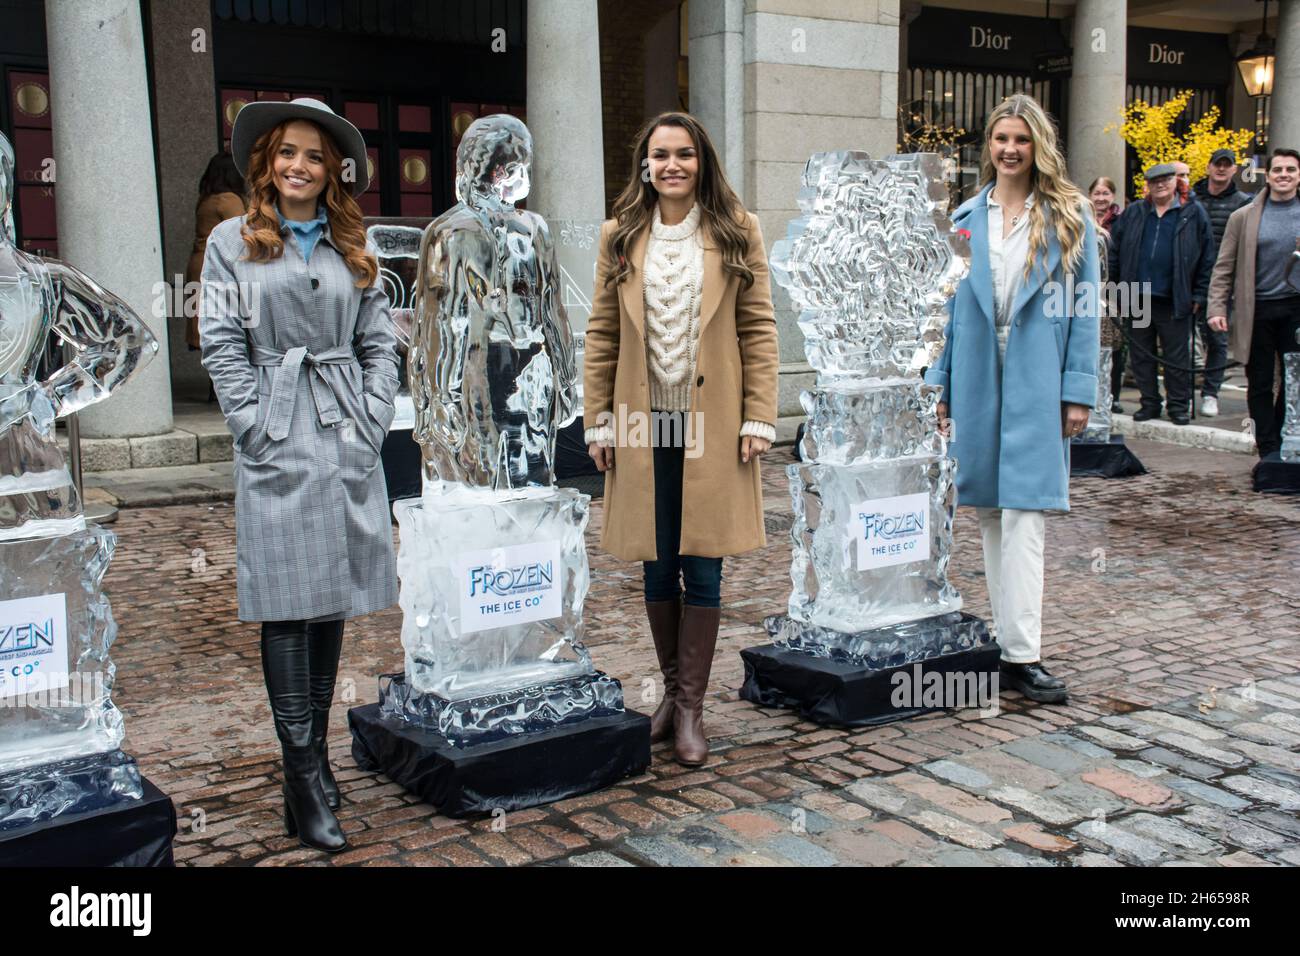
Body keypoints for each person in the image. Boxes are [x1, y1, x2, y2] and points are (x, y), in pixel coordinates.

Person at [200, 98, 400, 853]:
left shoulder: (355, 242)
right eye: (287, 152)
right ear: (266, 161)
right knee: (287, 601)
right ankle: (302, 774)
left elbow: (381, 341)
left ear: (333, 170)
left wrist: (375, 414)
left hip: (347, 428)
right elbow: (219, 341)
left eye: (314, 156)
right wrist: (252, 423)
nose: (298, 167)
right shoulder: (232, 242)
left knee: (332, 597)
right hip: (276, 428)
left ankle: (310, 768)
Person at [583, 111, 779, 765]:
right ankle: (669, 696)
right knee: (656, 558)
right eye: (660, 155)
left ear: (703, 162)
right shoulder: (621, 235)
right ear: (645, 163)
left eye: (685, 155)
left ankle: (691, 708)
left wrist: (759, 414)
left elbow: (759, 328)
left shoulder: (736, 229)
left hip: (712, 420)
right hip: (643, 422)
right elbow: (602, 333)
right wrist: (598, 419)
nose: (672, 165)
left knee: (704, 563)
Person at [924, 93, 1099, 705]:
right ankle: (1004, 646)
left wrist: (1077, 391)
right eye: (1001, 139)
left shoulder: (1068, 216)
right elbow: (947, 309)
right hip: (976, 371)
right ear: (988, 146)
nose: (1010, 149)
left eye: (1021, 140)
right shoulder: (966, 216)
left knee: (1026, 513)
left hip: (1037, 372)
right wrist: (938, 386)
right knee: (992, 512)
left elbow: (1085, 308)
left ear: (1038, 147)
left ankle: (1023, 653)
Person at [1208, 148, 1300, 459]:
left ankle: (1285, 434)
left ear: (1298, 176)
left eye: (1290, 170)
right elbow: (1224, 267)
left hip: (1296, 309)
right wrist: (1217, 308)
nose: (1284, 175)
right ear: (1268, 175)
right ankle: (1268, 447)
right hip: (1257, 309)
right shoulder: (1244, 216)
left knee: (1294, 379)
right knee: (1259, 380)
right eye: (1278, 170)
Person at [1107, 162, 1215, 424]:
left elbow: (1207, 257)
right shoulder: (1134, 213)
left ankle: (1178, 405)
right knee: (1142, 356)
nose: (1160, 185)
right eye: (1155, 181)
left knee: (1176, 357)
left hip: (1175, 298)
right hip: (1137, 297)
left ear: (1175, 183)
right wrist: (1116, 290)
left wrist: (1200, 295)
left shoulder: (1193, 213)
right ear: (1148, 185)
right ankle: (1149, 403)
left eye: (1166, 180)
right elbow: (1115, 252)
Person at [1192, 149, 1252, 417]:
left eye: (1227, 165)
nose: (1221, 169)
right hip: (1190, 279)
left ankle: (1210, 393)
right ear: (1208, 167)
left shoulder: (1243, 203)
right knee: (1182, 338)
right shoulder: (1192, 200)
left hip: (1222, 282)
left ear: (1234, 170)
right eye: (1217, 164)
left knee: (1217, 340)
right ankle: (1180, 393)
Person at [184, 152, 245, 354]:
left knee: (208, 325)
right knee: (225, 328)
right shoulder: (228, 200)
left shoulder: (207, 199)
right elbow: (243, 234)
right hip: (218, 268)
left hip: (199, 264)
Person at [1089, 176, 1124, 411]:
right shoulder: (1081, 218)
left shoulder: (1123, 221)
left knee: (1115, 345)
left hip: (1116, 289)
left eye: (1106, 194)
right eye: (1097, 193)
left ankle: (1114, 395)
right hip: (1086, 290)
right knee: (1091, 342)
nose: (1101, 198)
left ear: (1112, 196)